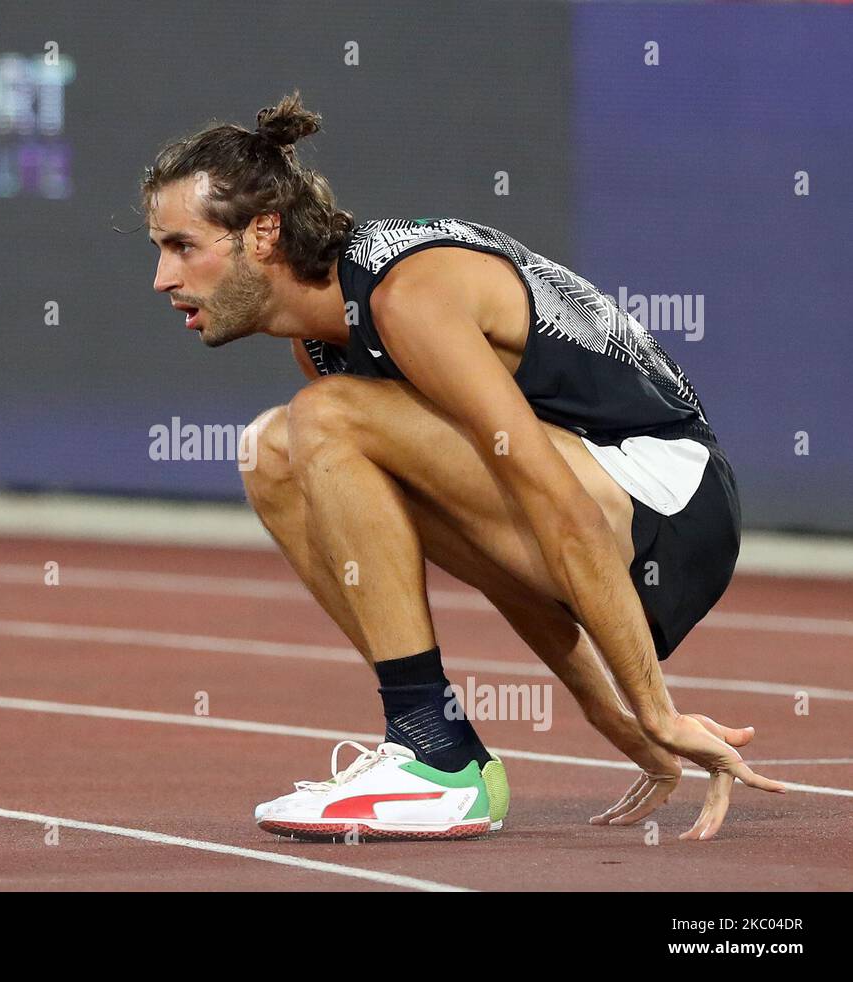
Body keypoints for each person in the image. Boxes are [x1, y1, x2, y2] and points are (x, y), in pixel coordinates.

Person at [142, 92, 785, 841]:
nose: (162, 277)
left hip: (672, 501)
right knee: (271, 450)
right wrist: (609, 714)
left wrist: (652, 708)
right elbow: (503, 551)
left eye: (182, 246)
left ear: (261, 233)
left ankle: (432, 758)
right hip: (586, 512)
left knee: (319, 420)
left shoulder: (408, 297)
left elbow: (557, 508)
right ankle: (438, 745)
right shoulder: (324, 342)